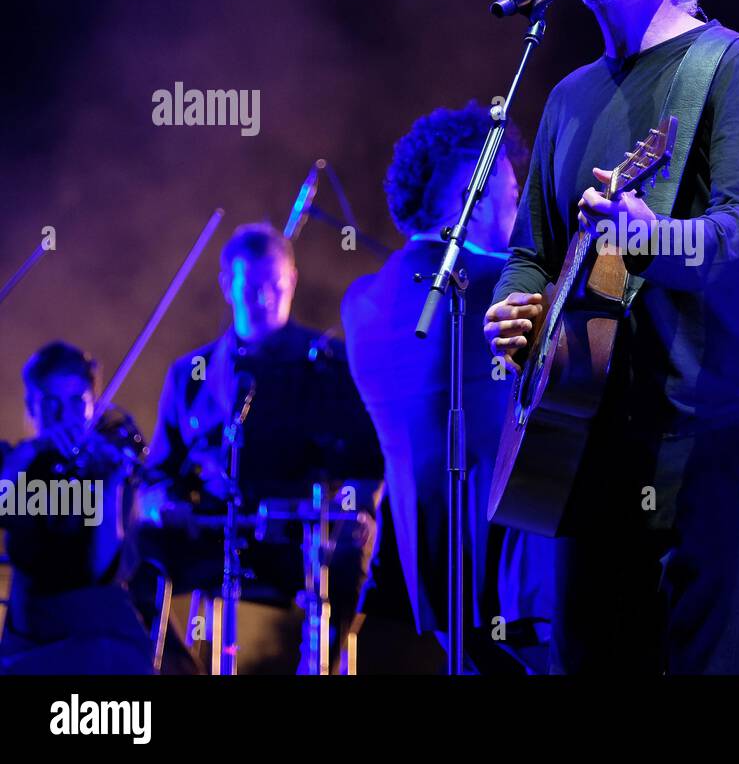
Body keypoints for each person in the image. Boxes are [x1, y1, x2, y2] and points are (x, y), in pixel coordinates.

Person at [483, 0, 739, 674]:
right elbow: (533, 250)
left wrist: (648, 236)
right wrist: (512, 308)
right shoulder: (565, 97)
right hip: (590, 427)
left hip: (721, 426)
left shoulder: (737, 67)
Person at [341, 102, 553, 672]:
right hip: (519, 578)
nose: (519, 214)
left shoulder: (360, 302)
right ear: (473, 200)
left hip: (429, 581)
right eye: (512, 197)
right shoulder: (491, 284)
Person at [147, 223, 383, 673]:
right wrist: (162, 501)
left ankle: (318, 667)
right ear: (226, 285)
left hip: (301, 539)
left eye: (275, 285)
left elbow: (367, 462)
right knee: (137, 546)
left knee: (351, 550)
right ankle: (177, 672)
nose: (265, 298)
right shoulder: (190, 374)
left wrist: (352, 506)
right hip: (217, 534)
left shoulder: (329, 366)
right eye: (251, 286)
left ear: (292, 279)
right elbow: (160, 470)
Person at [0, 341, 154, 674]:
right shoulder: (14, 463)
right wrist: (24, 457)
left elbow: (101, 572)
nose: (64, 416)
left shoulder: (104, 469)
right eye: (50, 403)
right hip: (35, 631)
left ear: (93, 405)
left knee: (109, 652)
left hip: (96, 625)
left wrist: (111, 485)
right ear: (30, 406)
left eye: (77, 402)